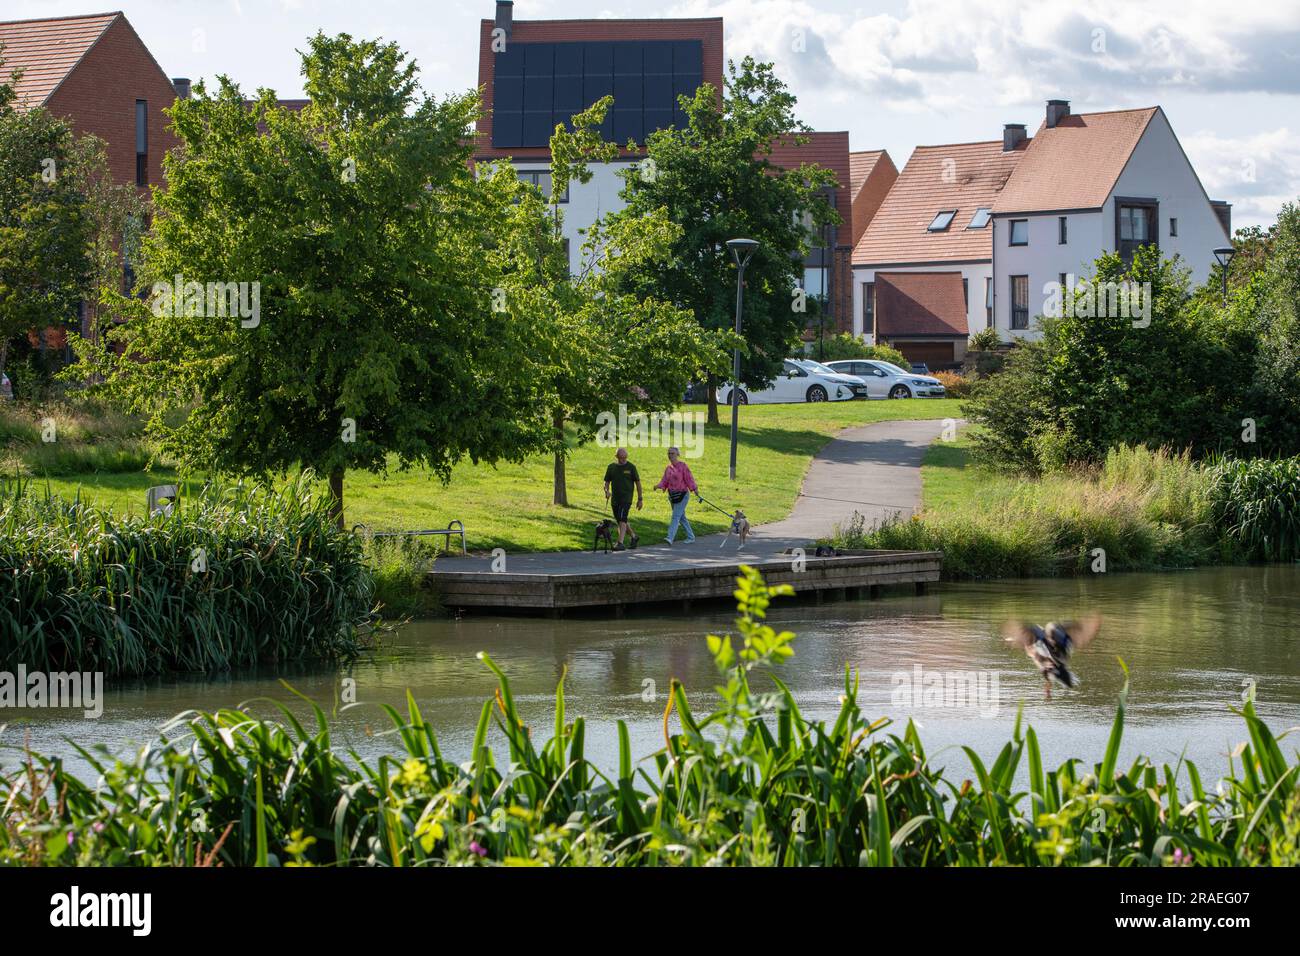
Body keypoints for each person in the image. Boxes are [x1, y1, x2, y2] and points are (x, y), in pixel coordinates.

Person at [655, 446, 698, 544]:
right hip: (672, 496)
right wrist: (658, 486)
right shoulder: (668, 468)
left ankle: (670, 537)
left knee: (675, 516)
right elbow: (664, 480)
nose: (670, 455)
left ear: (677, 455)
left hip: (683, 495)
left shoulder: (683, 466)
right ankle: (691, 537)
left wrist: (694, 489)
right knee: (681, 517)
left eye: (672, 453)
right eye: (669, 453)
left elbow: (689, 478)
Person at [602, 447, 643, 550]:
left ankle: (620, 543)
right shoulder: (611, 467)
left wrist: (640, 499)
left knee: (622, 518)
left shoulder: (631, 467)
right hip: (615, 499)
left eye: (625, 457)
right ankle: (634, 537)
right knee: (620, 520)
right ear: (616, 457)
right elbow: (606, 481)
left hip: (626, 498)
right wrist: (606, 491)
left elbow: (638, 483)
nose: (623, 460)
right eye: (621, 458)